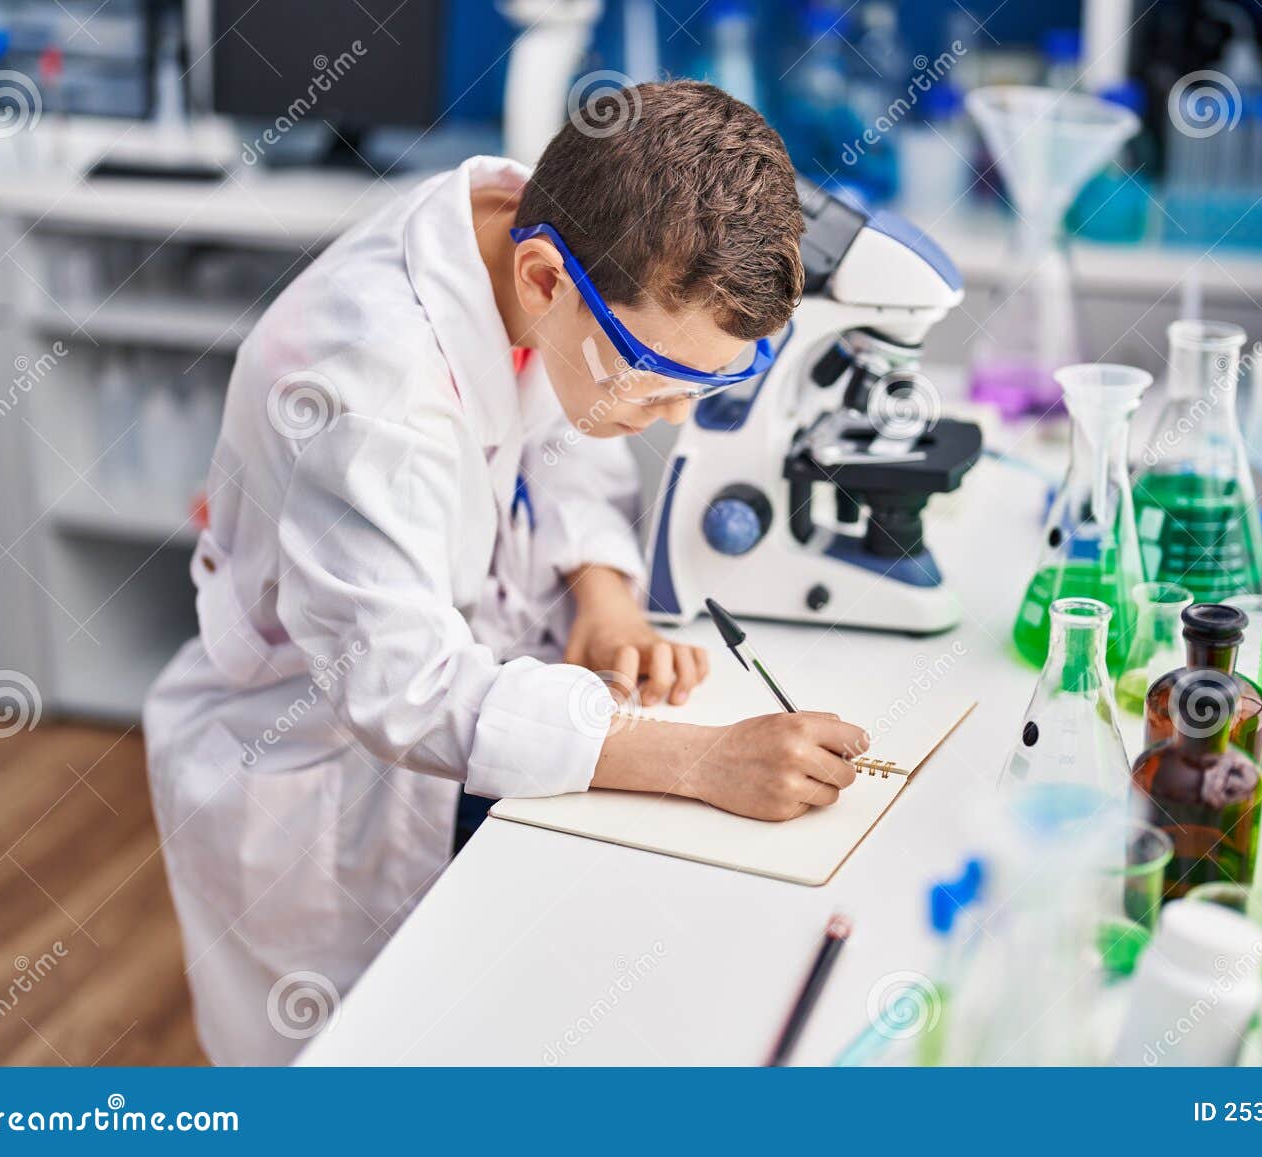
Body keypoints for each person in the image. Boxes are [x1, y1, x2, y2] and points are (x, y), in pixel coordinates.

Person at [143, 81, 869, 1065]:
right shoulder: (364, 390)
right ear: (541, 279)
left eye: (711, 382)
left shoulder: (557, 222)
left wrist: (601, 593)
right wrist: (702, 760)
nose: (676, 415)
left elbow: (568, 420)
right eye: (660, 381)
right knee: (343, 1076)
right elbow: (402, 687)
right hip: (319, 773)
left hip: (486, 698)